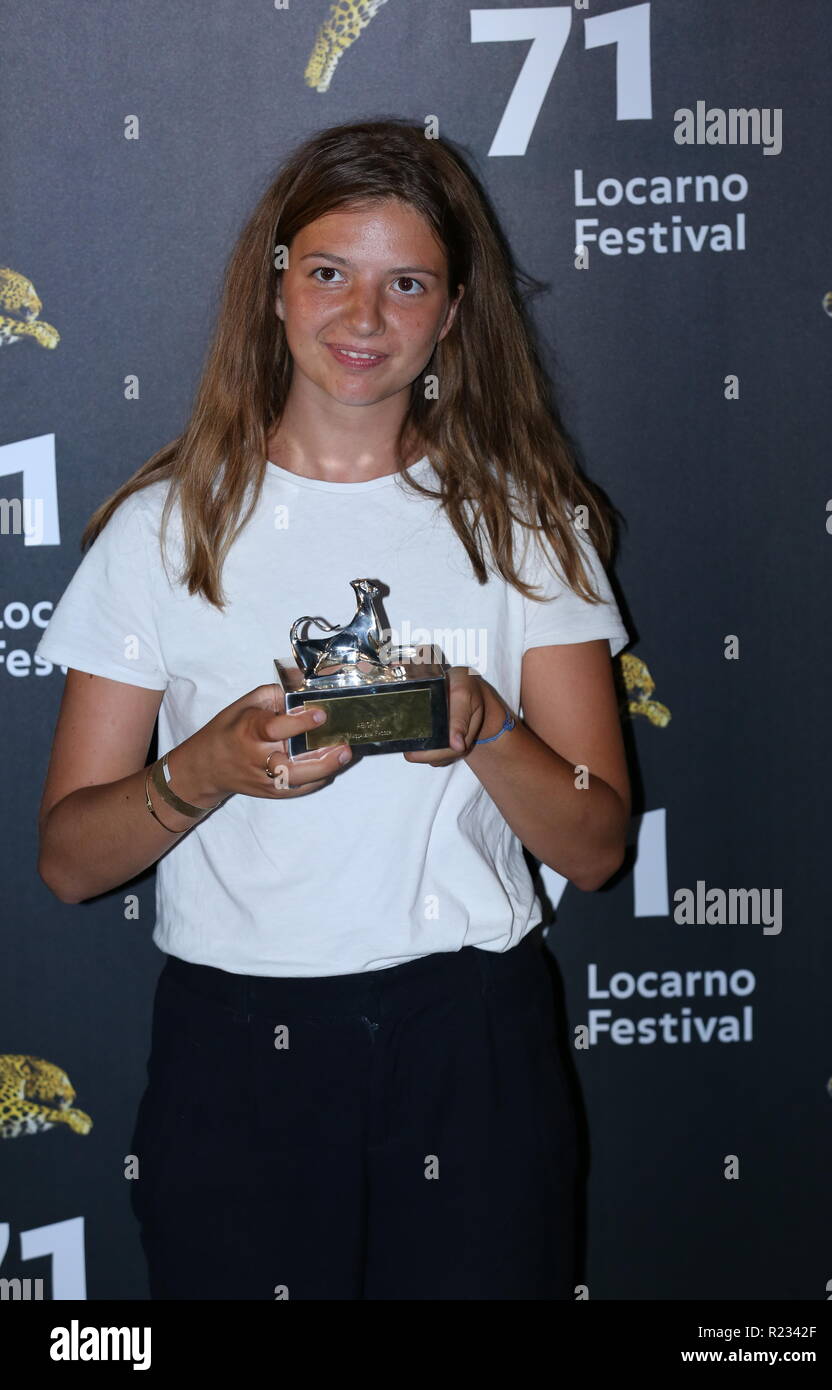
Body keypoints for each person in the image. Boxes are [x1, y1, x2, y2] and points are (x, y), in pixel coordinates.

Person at [35, 118, 631, 1301]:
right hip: (234, 1056)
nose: (363, 320)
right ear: (275, 286)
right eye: (328, 274)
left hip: (469, 1041)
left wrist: (485, 729)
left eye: (404, 283)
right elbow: (67, 861)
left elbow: (596, 840)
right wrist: (201, 771)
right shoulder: (166, 527)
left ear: (453, 313)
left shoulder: (526, 523)